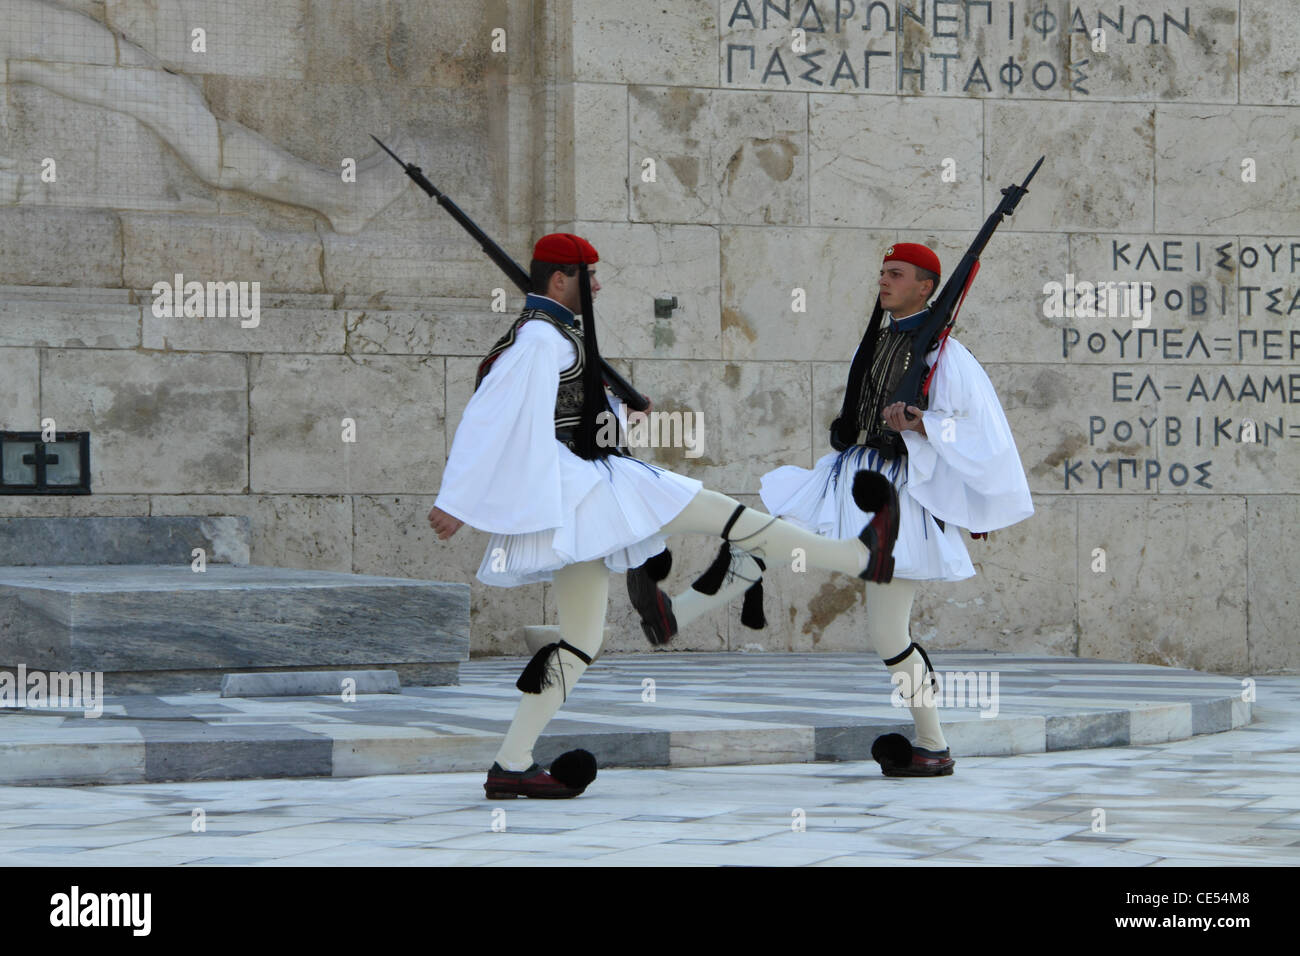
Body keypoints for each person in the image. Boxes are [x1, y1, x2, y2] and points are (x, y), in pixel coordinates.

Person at [427, 233, 901, 798]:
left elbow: (572, 415)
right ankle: (857, 555)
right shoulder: (538, 338)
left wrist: (620, 413)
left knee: (580, 641)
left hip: (579, 490)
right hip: (585, 487)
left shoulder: (552, 334)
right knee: (730, 517)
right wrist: (456, 500)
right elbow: (492, 415)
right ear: (560, 280)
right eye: (590, 275)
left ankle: (511, 763)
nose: (598, 285)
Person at [638, 243, 1034, 778]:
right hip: (848, 475)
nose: (884, 281)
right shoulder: (874, 343)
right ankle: (675, 613)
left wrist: (921, 425)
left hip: (896, 494)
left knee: (889, 633)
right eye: (882, 272)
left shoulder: (948, 357)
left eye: (897, 275)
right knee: (766, 538)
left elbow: (979, 432)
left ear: (926, 287)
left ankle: (933, 746)